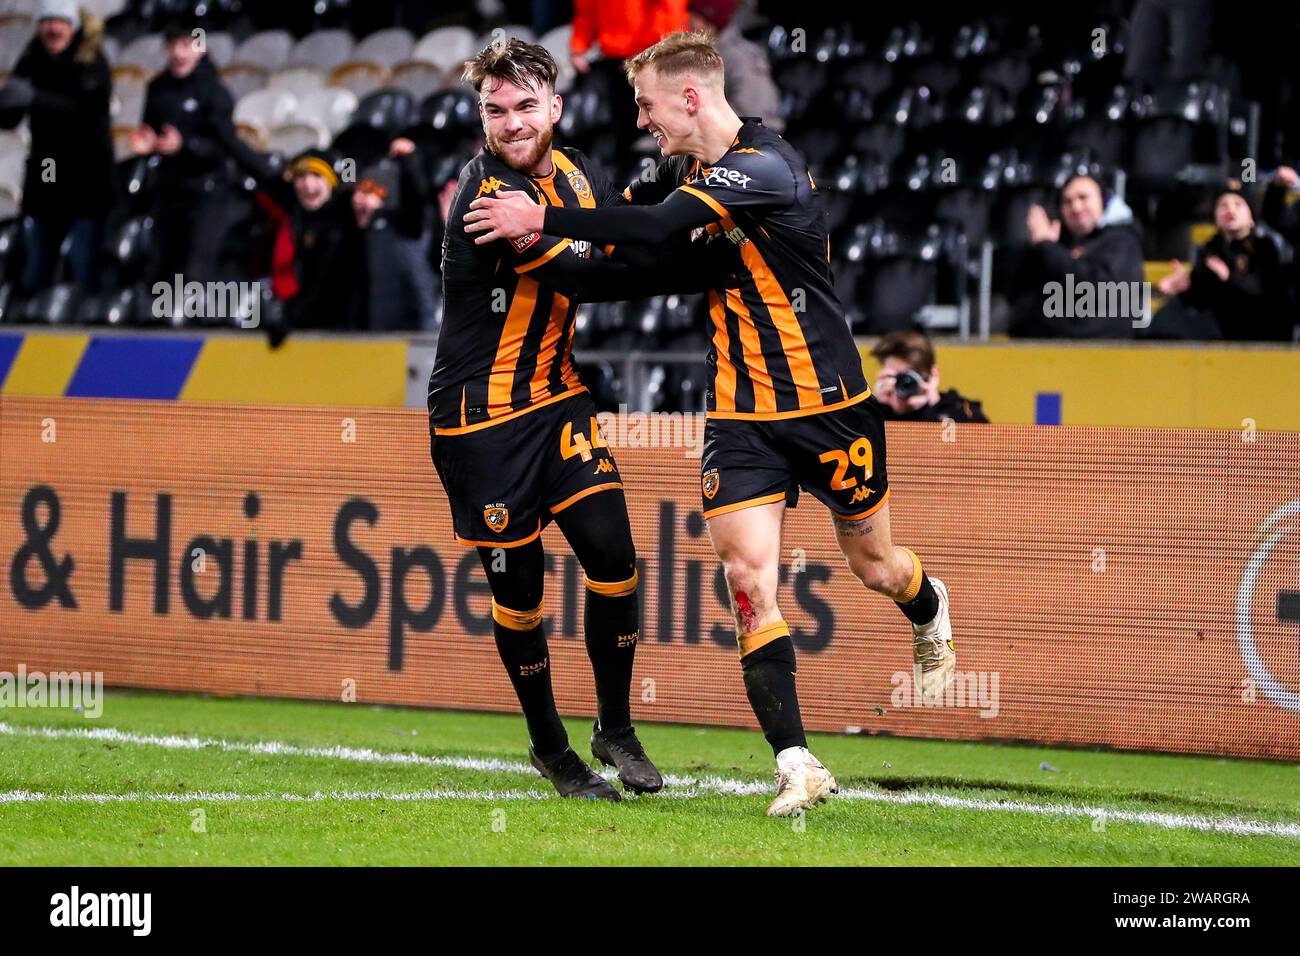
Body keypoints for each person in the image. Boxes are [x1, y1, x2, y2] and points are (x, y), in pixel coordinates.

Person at [466, 31, 956, 817]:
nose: (641, 122)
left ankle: (926, 601)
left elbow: (657, 235)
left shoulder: (765, 167)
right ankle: (795, 761)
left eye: (647, 106)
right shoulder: (674, 169)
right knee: (746, 584)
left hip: (829, 406)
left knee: (876, 566)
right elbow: (632, 239)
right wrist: (547, 237)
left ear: (689, 97)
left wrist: (544, 215)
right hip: (739, 418)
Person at [430, 39, 674, 802]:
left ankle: (615, 727)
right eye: (496, 111)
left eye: (525, 106)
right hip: (482, 423)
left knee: (616, 558)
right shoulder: (484, 202)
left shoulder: (570, 173)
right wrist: (679, 253)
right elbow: (590, 276)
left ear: (555, 108)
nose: (511, 123)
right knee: (522, 596)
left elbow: (604, 229)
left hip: (557, 396)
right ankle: (551, 749)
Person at [0, 0, 112, 294]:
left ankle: (81, 316)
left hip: (86, 174)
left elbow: (85, 111)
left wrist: (35, 97)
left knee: (81, 261)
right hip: (47, 170)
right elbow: (11, 116)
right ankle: (35, 311)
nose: (53, 29)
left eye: (60, 22)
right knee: (38, 257)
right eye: (47, 22)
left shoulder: (91, 61)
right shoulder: (32, 58)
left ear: (72, 26)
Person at [131, 16, 243, 285]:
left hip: (207, 190)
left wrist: (187, 145)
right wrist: (148, 144)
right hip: (169, 189)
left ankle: (194, 319)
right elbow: (150, 129)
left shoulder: (214, 92)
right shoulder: (158, 89)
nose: (178, 53)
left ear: (200, 47)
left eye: (186, 44)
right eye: (172, 45)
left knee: (197, 267)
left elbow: (224, 145)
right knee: (165, 265)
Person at [1009, 174, 1145, 338]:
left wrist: (1048, 247)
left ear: (1102, 200)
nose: (1076, 207)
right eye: (1067, 201)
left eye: (1083, 197)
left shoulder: (1122, 241)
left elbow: (1099, 289)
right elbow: (1019, 294)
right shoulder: (1058, 244)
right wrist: (1038, 249)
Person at [252, 147, 365, 345]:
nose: (308, 184)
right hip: (307, 327)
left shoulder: (344, 223)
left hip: (343, 335)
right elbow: (260, 172)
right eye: (301, 176)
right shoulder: (298, 216)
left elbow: (330, 286)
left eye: (317, 175)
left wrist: (291, 315)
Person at [1155, 183, 1295, 340]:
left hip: (1265, 334)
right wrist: (1186, 287)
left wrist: (1229, 277)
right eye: (1222, 205)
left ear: (1251, 219)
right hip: (1223, 333)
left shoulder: (1265, 247)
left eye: (1238, 204)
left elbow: (1268, 293)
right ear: (1215, 218)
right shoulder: (1209, 250)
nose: (1230, 209)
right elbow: (1201, 299)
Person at [351, 137, 439, 333]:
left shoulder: (409, 229)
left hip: (417, 336)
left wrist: (410, 161)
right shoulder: (364, 237)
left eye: (369, 192)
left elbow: (416, 198)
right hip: (378, 335)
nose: (357, 199)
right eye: (358, 191)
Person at [686, 0, 782, 133]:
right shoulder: (706, 53)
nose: (689, 23)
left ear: (711, 24)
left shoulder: (738, 57)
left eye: (696, 18)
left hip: (753, 142)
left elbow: (755, 113)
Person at [869, 330, 989, 424]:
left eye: (908, 376)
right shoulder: (877, 414)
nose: (903, 384)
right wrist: (874, 408)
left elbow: (983, 446)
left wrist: (928, 409)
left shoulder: (961, 411)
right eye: (896, 376)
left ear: (933, 374)